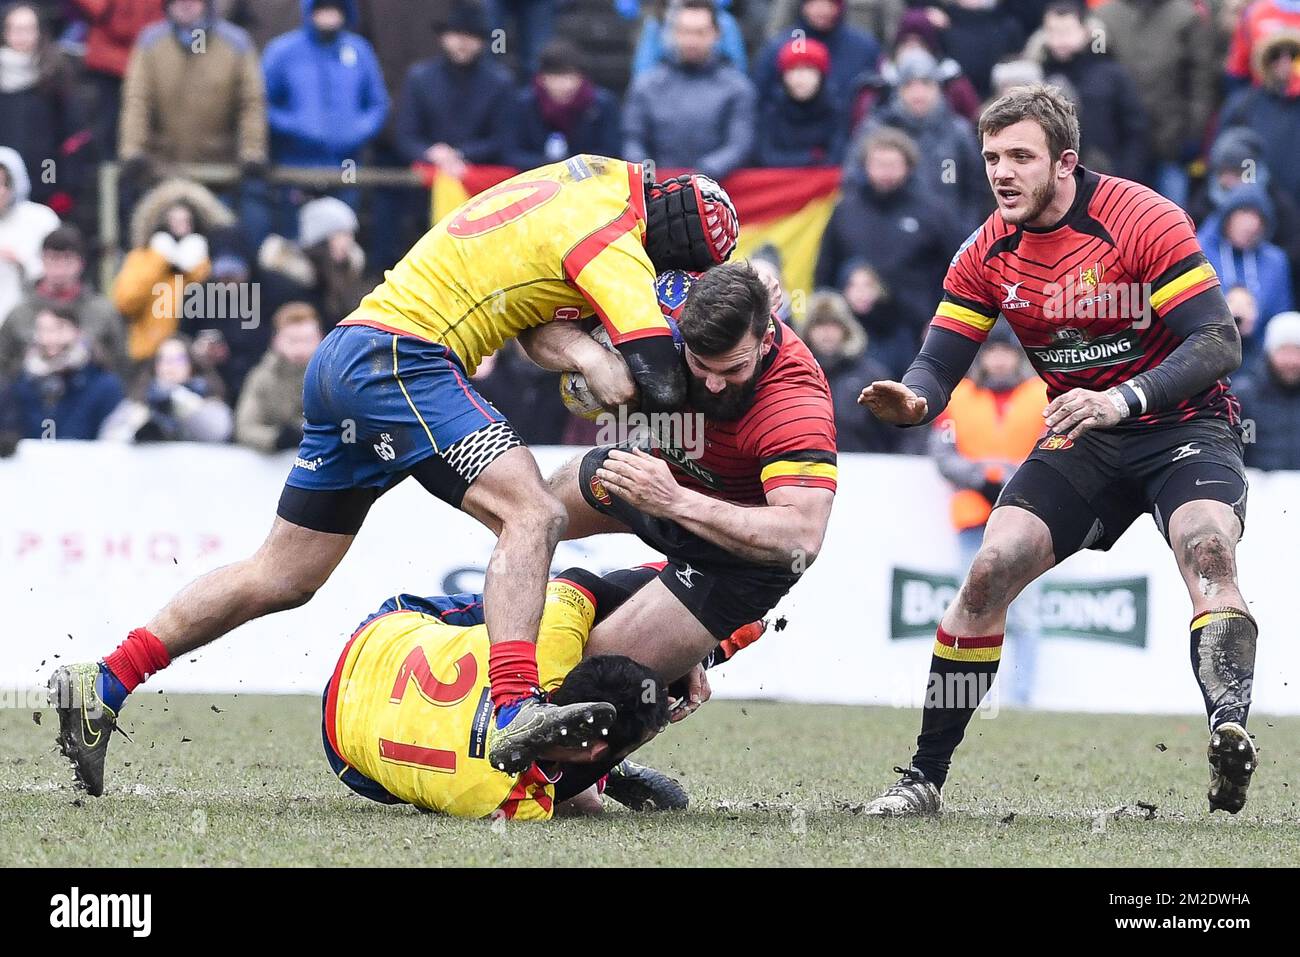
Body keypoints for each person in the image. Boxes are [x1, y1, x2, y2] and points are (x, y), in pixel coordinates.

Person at [48, 156, 738, 797]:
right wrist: (695, 391)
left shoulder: (591, 180)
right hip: (402, 358)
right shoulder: (618, 240)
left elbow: (537, 323)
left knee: (281, 575)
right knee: (535, 513)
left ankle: (105, 679)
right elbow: (660, 371)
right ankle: (513, 709)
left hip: (349, 352)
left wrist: (587, 356)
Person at [858, 85, 1257, 816]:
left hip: (1184, 427)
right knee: (987, 571)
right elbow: (941, 360)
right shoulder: (987, 250)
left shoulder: (1141, 218)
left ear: (1065, 161)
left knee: (1209, 550)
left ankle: (1228, 727)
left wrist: (1122, 397)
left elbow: (1218, 339)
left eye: (1020, 157)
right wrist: (915, 398)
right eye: (990, 159)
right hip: (1085, 437)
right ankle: (922, 778)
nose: (1001, 173)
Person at [519, 262, 837, 796]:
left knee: (589, 691)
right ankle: (486, 670)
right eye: (699, 363)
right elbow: (533, 324)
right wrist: (590, 356)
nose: (712, 382)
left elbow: (801, 535)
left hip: (738, 557)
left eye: (731, 369)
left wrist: (676, 499)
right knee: (528, 515)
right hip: (658, 476)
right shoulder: (664, 305)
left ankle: (592, 773)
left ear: (763, 340)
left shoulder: (794, 402)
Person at [323, 565, 704, 818]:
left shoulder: (548, 645)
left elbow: (581, 580)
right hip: (350, 755)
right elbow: (587, 808)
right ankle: (603, 769)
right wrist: (692, 645)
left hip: (379, 643)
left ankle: (589, 765)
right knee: (581, 799)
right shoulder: (516, 802)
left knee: (519, 611)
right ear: (598, 752)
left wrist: (687, 649)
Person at [929, 324, 1047, 706]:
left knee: (1025, 613)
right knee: (970, 609)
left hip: (1024, 517)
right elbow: (942, 452)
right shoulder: (958, 397)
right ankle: (971, 698)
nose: (998, 359)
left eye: (1005, 352)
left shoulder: (1042, 395)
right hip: (971, 517)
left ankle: (1023, 697)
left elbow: (1054, 447)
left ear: (1017, 356)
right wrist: (981, 479)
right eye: (992, 351)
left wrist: (1011, 481)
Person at [814, 127, 963, 331]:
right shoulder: (845, 210)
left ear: (908, 166)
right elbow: (825, 269)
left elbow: (958, 268)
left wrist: (942, 318)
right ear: (865, 166)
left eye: (893, 165)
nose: (886, 172)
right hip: (852, 327)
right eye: (879, 164)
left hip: (915, 327)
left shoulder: (933, 212)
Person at [116, 0, 267, 175]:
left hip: (222, 173)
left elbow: (251, 103)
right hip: (161, 172)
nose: (185, 3)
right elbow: (137, 101)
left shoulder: (235, 43)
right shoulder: (151, 42)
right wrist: (133, 152)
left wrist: (252, 153)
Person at [1095, 0, 1216, 208]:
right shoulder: (1104, 18)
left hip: (1171, 141)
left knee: (1172, 221)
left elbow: (1201, 83)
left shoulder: (1187, 18)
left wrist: (1193, 134)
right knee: (1119, 222)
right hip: (1120, 146)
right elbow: (1095, 76)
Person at [846, 47, 984, 229]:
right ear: (898, 89)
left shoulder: (959, 132)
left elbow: (976, 191)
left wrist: (966, 233)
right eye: (909, 84)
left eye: (926, 84)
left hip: (949, 240)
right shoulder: (875, 130)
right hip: (892, 235)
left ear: (938, 88)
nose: (918, 93)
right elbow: (853, 183)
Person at [622, 0, 756, 181]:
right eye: (685, 31)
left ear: (716, 34)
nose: (691, 40)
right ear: (674, 33)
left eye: (700, 32)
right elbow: (633, 139)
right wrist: (647, 176)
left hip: (716, 194)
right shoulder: (646, 85)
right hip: (657, 193)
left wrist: (701, 176)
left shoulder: (737, 88)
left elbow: (739, 144)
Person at [110, 178, 235, 363]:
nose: (180, 226)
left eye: (186, 221)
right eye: (174, 220)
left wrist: (193, 265)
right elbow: (125, 302)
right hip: (148, 355)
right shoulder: (142, 258)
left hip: (195, 360)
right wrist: (158, 258)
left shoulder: (209, 263)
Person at [262, 1, 388, 172]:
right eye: (322, 8)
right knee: (301, 197)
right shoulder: (283, 51)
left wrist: (357, 129)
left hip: (348, 162)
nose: (329, 15)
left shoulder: (359, 50)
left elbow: (378, 103)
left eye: (335, 8)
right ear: (310, 10)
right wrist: (297, 126)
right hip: (296, 161)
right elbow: (261, 104)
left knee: (347, 196)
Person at [1031, 0, 1148, 181]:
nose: (1059, 40)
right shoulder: (1037, 75)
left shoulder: (1109, 73)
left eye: (1066, 31)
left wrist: (1127, 174)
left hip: (1107, 175)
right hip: (1054, 179)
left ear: (1085, 31)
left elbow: (1135, 129)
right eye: (1052, 31)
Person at [394, 0, 514, 174]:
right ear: (442, 37)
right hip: (425, 180)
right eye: (456, 34)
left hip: (481, 179)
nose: (462, 42)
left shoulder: (500, 82)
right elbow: (405, 136)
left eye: (471, 35)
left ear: (482, 41)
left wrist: (460, 153)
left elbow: (504, 139)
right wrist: (431, 153)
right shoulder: (420, 78)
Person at [0, 225, 125, 380]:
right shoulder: (19, 314)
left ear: (81, 263)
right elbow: (3, 368)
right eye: (52, 259)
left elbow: (121, 365)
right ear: (42, 260)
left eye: (67, 259)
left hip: (91, 397)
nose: (59, 269)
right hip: (30, 398)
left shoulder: (102, 312)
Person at [5, 303, 124, 439]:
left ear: (78, 332)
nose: (50, 339)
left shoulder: (104, 386)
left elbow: (114, 440)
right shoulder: (20, 385)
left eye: (59, 328)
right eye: (43, 330)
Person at [798, 289, 897, 452]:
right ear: (808, 331)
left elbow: (900, 431)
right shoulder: (795, 374)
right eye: (819, 324)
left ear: (846, 329)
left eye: (834, 324)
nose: (826, 332)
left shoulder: (872, 377)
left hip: (866, 470)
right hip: (810, 469)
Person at [1197, 184, 1294, 349]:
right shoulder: (1199, 250)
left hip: (1258, 353)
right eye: (1243, 213)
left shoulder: (1275, 261)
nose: (1251, 224)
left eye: (1258, 217)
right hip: (1205, 346)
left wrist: (1254, 315)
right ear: (1227, 217)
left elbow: (1280, 317)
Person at [506, 39, 622, 170]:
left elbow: (610, 152)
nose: (564, 85)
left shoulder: (602, 105)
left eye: (570, 76)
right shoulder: (523, 104)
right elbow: (512, 154)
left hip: (589, 180)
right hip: (536, 178)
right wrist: (550, 167)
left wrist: (575, 168)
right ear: (542, 78)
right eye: (556, 77)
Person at [100, 334, 233, 443]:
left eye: (178, 360)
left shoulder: (208, 398)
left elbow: (219, 433)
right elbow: (107, 437)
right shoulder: (139, 401)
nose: (170, 366)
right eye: (164, 360)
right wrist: (134, 426)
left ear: (192, 365)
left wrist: (180, 401)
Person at [753, 0, 881, 103]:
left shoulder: (864, 47)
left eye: (829, 3)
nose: (822, 9)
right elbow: (761, 96)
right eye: (815, 2)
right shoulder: (780, 47)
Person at [233, 302, 320, 453]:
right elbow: (245, 427)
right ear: (276, 340)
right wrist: (277, 439)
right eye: (292, 340)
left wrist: (307, 434)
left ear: (321, 338)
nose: (300, 349)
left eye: (307, 340)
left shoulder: (333, 377)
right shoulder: (262, 377)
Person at [754, 36, 847, 168]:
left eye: (809, 69)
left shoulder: (836, 110)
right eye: (793, 69)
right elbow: (766, 157)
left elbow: (836, 157)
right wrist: (811, 157)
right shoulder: (771, 111)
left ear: (821, 75)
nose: (801, 77)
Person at [1233, 310, 1300, 471]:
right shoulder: (1245, 395)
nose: (1290, 360)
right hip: (1259, 485)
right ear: (1269, 352)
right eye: (1283, 350)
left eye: (1297, 351)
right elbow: (1236, 448)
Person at [0, 145, 58, 323]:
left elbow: (60, 270)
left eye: (4, 183)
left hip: (34, 323)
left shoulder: (41, 219)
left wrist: (21, 261)